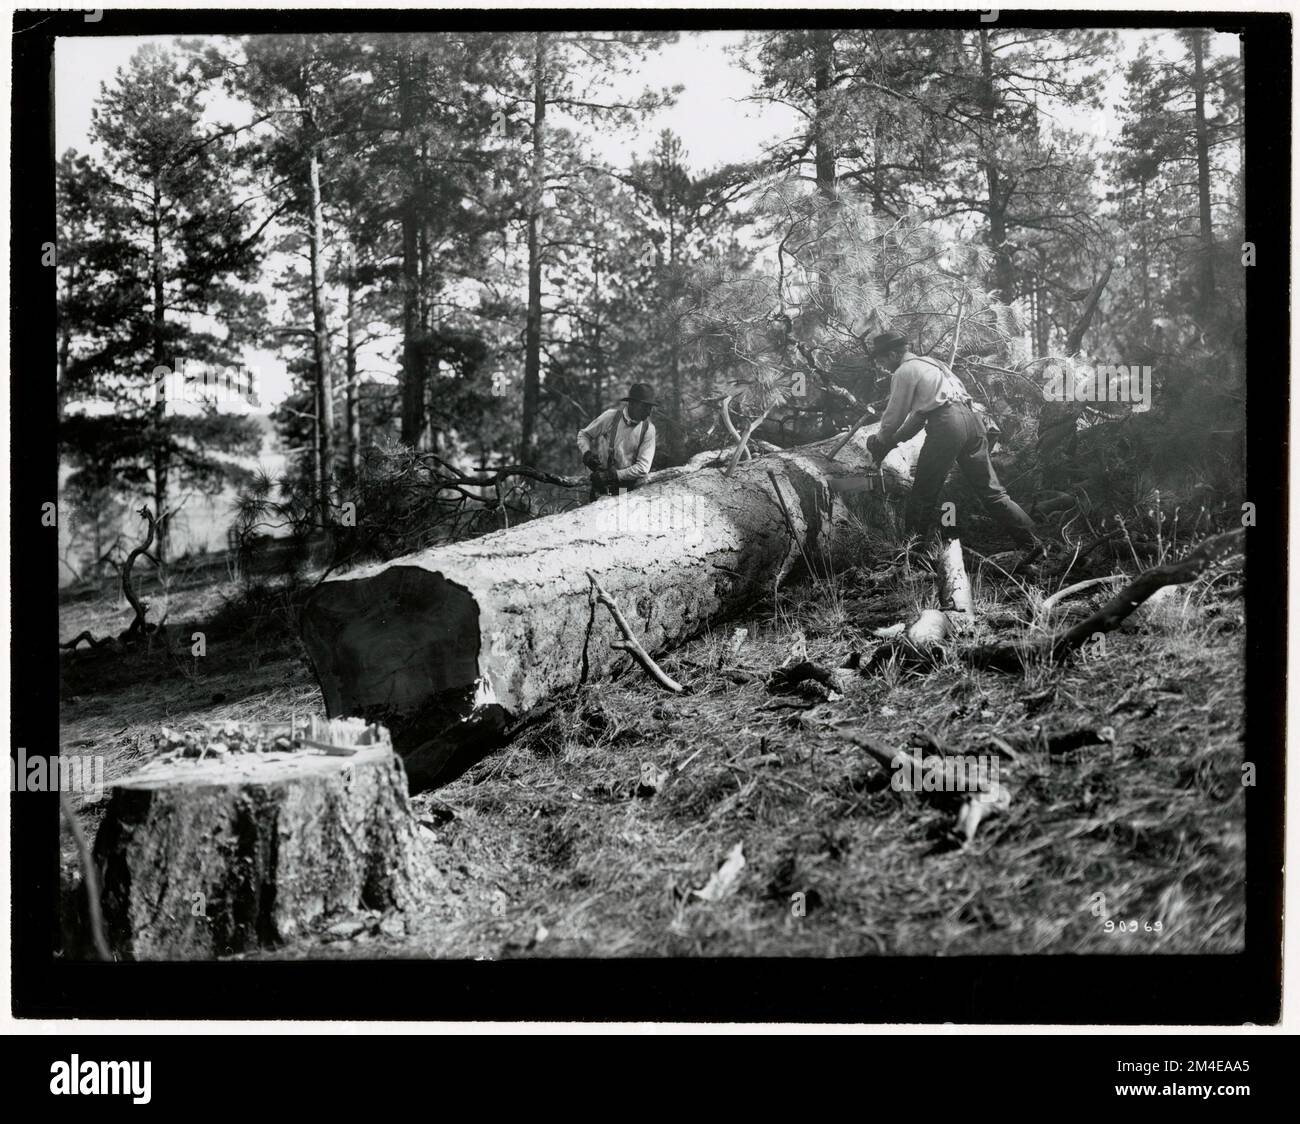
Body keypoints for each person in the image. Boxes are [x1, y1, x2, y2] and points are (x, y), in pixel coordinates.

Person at [864, 329, 1038, 548]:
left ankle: (911, 554)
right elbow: (918, 418)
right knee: (992, 492)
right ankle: (1032, 542)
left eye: (881, 361)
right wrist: (892, 443)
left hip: (948, 425)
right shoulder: (935, 364)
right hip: (973, 422)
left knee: (923, 494)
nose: (882, 367)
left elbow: (894, 416)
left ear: (892, 355)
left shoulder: (904, 371)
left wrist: (879, 441)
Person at [577, 382, 658, 499]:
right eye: (645, 407)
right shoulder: (610, 417)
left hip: (626, 488)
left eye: (650, 408)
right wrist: (587, 454)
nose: (649, 412)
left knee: (619, 512)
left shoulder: (648, 429)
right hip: (601, 485)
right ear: (633, 403)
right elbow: (584, 434)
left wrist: (612, 475)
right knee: (596, 513)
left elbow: (643, 467)